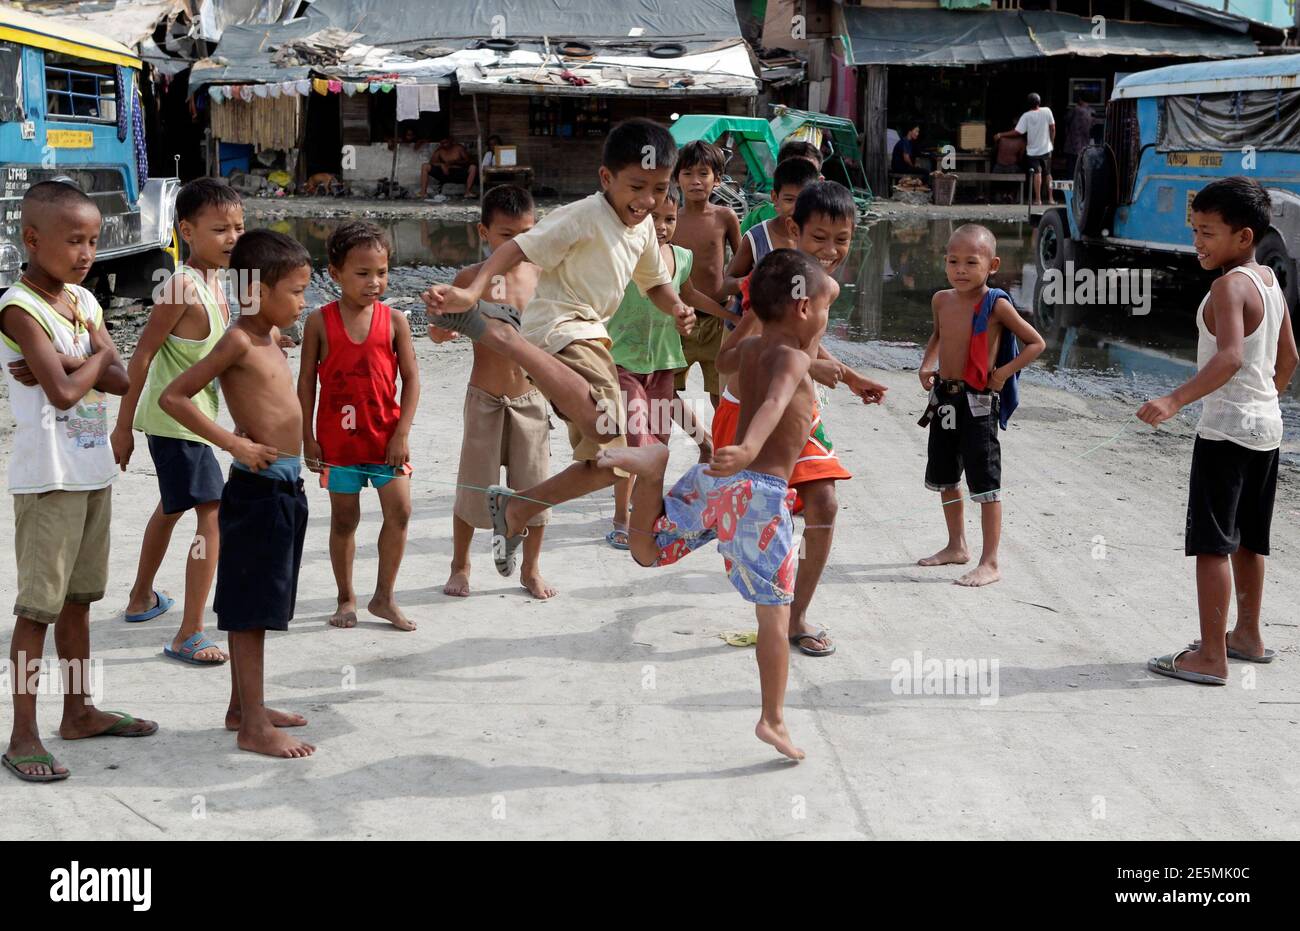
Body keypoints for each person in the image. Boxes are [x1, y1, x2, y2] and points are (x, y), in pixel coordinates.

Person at [420, 118, 696, 577]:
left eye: (659, 188)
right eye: (637, 186)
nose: (647, 200)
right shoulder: (583, 215)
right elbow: (516, 250)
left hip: (591, 335)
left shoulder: (645, 227)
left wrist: (679, 308)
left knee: (610, 465)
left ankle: (517, 510)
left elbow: (655, 284)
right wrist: (472, 294)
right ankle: (501, 336)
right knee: (607, 424)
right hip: (561, 325)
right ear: (606, 179)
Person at [601, 249, 841, 761]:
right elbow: (775, 404)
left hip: (716, 483)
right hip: (758, 493)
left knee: (648, 552)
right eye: (822, 309)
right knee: (773, 617)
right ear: (802, 310)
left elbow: (726, 360)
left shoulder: (750, 349)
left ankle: (650, 473)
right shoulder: (796, 358)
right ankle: (773, 719)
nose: (826, 315)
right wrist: (751, 448)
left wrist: (766, 303)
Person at [0, 181, 155, 782]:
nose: (87, 253)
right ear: (32, 238)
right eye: (73, 241)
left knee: (80, 606)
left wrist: (71, 362)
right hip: (49, 479)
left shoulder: (83, 302)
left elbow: (117, 380)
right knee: (36, 610)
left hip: (90, 471)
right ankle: (22, 734)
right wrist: (86, 361)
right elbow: (75, 388)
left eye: (93, 240)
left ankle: (80, 710)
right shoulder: (18, 307)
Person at [160, 230, 316, 759]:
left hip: (285, 487)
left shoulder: (272, 337)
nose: (303, 302)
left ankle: (242, 707)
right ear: (256, 291)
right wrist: (234, 443)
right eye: (295, 292)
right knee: (251, 611)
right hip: (256, 492)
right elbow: (175, 396)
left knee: (267, 602)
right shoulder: (237, 340)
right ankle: (253, 726)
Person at [717, 181, 888, 657]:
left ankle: (797, 616)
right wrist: (811, 366)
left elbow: (805, 339)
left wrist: (849, 376)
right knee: (730, 521)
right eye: (819, 238)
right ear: (794, 228)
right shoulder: (771, 286)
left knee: (824, 506)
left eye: (842, 239)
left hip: (800, 414)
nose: (831, 250)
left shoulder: (824, 286)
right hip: (752, 413)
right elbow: (731, 358)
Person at [1138, 177, 1298, 686]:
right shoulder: (1269, 281)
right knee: (1250, 539)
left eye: (1207, 232)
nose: (1197, 242)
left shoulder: (1227, 286)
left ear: (1243, 236)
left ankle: (1211, 655)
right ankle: (1247, 635)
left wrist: (1174, 399)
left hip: (1227, 433)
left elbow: (1229, 356)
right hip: (1267, 429)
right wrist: (1266, 397)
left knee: (1213, 544)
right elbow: (1289, 357)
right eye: (1194, 230)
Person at [111, 178, 243, 667]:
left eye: (238, 227)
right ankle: (189, 632)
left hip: (192, 421)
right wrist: (122, 428)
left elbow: (214, 354)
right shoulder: (180, 286)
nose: (233, 237)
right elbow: (141, 357)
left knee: (171, 507)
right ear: (187, 231)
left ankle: (141, 597)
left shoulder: (218, 284)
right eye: (220, 229)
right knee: (212, 512)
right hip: (173, 424)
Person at [431, 185, 557, 600]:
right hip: (484, 397)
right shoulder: (471, 279)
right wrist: (441, 312)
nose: (518, 243)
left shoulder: (544, 275)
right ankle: (460, 565)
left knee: (535, 488)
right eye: (507, 235)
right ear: (484, 232)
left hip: (531, 399)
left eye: (527, 232)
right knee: (473, 487)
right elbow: (437, 334)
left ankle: (532, 568)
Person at [299, 221, 420, 631]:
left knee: (400, 511)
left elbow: (412, 380)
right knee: (344, 520)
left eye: (382, 273)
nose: (375, 282)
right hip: (339, 445)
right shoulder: (319, 321)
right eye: (363, 273)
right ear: (334, 273)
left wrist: (402, 432)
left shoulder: (395, 321)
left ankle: (384, 596)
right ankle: (345, 597)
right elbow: (305, 384)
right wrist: (308, 439)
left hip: (386, 440)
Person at [916, 224, 1045, 587]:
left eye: (971, 262)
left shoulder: (996, 304)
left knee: (985, 480)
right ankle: (956, 545)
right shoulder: (942, 299)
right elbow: (938, 336)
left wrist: (1002, 373)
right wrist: (927, 364)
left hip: (978, 402)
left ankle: (990, 561)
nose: (960, 269)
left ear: (992, 265)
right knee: (945, 475)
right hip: (945, 397)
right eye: (953, 261)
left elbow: (1035, 343)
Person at [606, 187, 725, 547]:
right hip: (622, 360)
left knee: (658, 443)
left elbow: (688, 296)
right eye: (653, 217)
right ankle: (620, 518)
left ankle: (647, 515)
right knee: (637, 441)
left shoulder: (682, 258)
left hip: (662, 362)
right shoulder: (623, 254)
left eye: (669, 219)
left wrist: (728, 313)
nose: (660, 226)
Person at [670, 141, 742, 461]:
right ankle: (703, 442)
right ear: (677, 178)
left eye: (704, 173)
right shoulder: (669, 217)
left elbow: (741, 265)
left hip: (719, 320)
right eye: (688, 173)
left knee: (720, 396)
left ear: (718, 178)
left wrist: (742, 311)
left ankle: (724, 455)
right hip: (677, 320)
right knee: (665, 393)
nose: (696, 180)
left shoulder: (725, 217)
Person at [740, 139, 823, 237]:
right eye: (791, 171)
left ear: (820, 181)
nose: (800, 178)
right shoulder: (759, 217)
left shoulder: (826, 220)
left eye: (808, 172)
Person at [996, 94, 1055, 206]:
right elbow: (1053, 128)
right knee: (1048, 174)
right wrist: (1052, 142)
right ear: (1039, 101)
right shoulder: (1047, 111)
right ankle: (1051, 199)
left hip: (1033, 151)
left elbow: (1017, 132)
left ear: (1028, 104)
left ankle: (1038, 200)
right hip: (1046, 149)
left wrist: (1001, 134)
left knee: (1037, 173)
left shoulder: (1026, 116)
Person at [1063, 100, 1094, 180]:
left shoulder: (1074, 110)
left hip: (1072, 145)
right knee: (1082, 167)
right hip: (1084, 146)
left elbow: (1066, 120)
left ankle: (1071, 183)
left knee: (1071, 168)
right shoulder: (1091, 111)